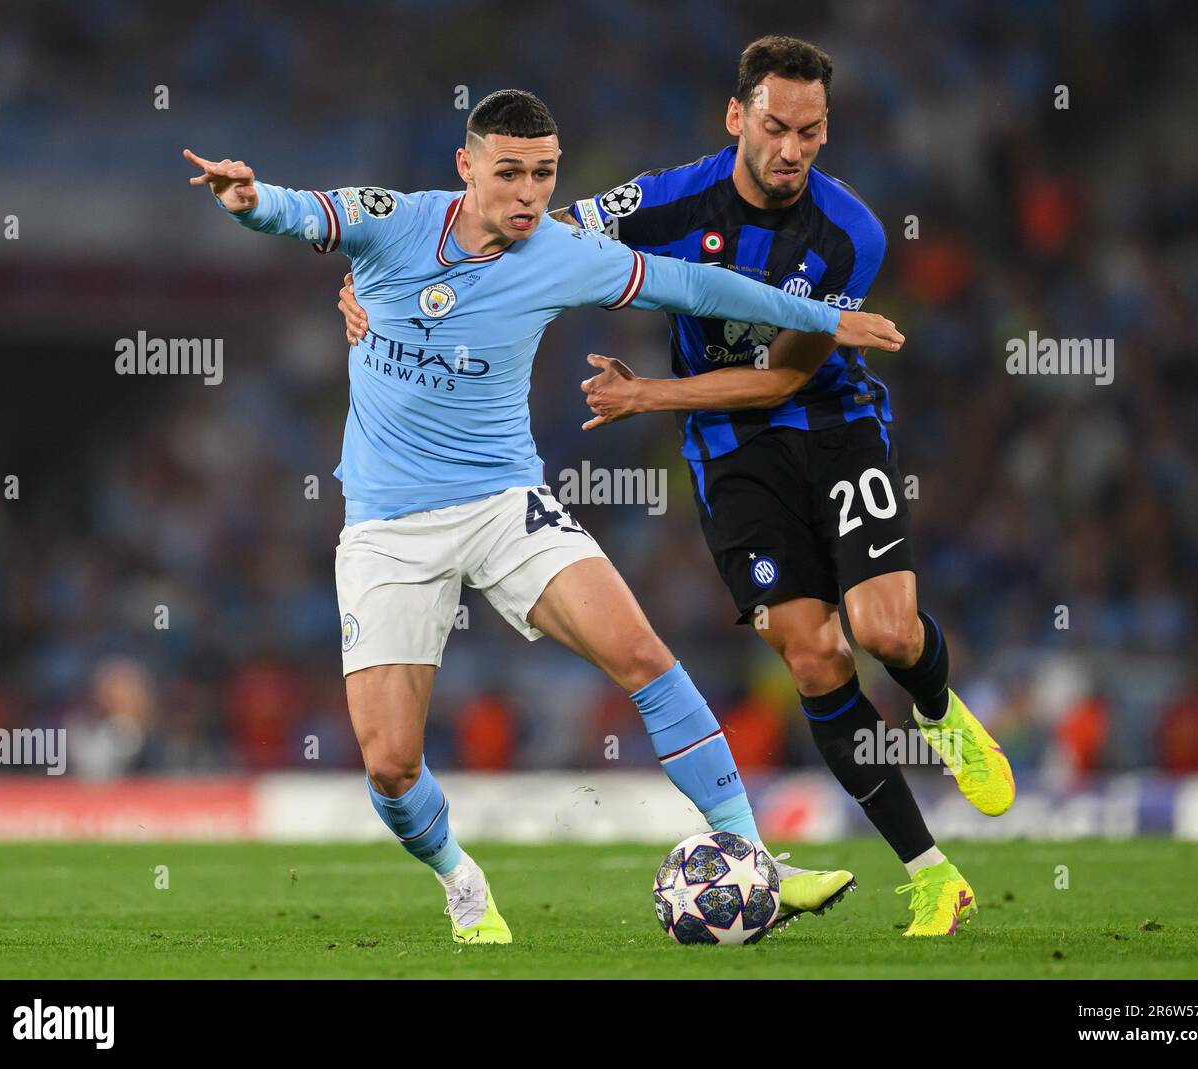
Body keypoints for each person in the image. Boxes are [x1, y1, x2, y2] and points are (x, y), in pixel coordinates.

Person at [186, 87, 903, 944]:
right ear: (467, 166)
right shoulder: (397, 222)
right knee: (389, 763)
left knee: (640, 651)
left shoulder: (566, 253)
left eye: (545, 174)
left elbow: (699, 284)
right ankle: (460, 877)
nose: (529, 193)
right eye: (511, 173)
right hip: (388, 526)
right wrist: (249, 200)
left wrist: (825, 317)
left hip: (503, 501)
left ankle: (755, 858)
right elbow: (305, 213)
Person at [340, 36, 1016, 937]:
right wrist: (371, 283)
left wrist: (647, 395)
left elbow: (782, 379)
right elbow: (518, 236)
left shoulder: (851, 233)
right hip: (731, 451)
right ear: (737, 117)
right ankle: (932, 872)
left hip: (833, 427)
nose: (792, 149)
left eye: (811, 132)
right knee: (815, 658)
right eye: (775, 126)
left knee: (885, 630)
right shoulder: (663, 199)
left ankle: (937, 707)